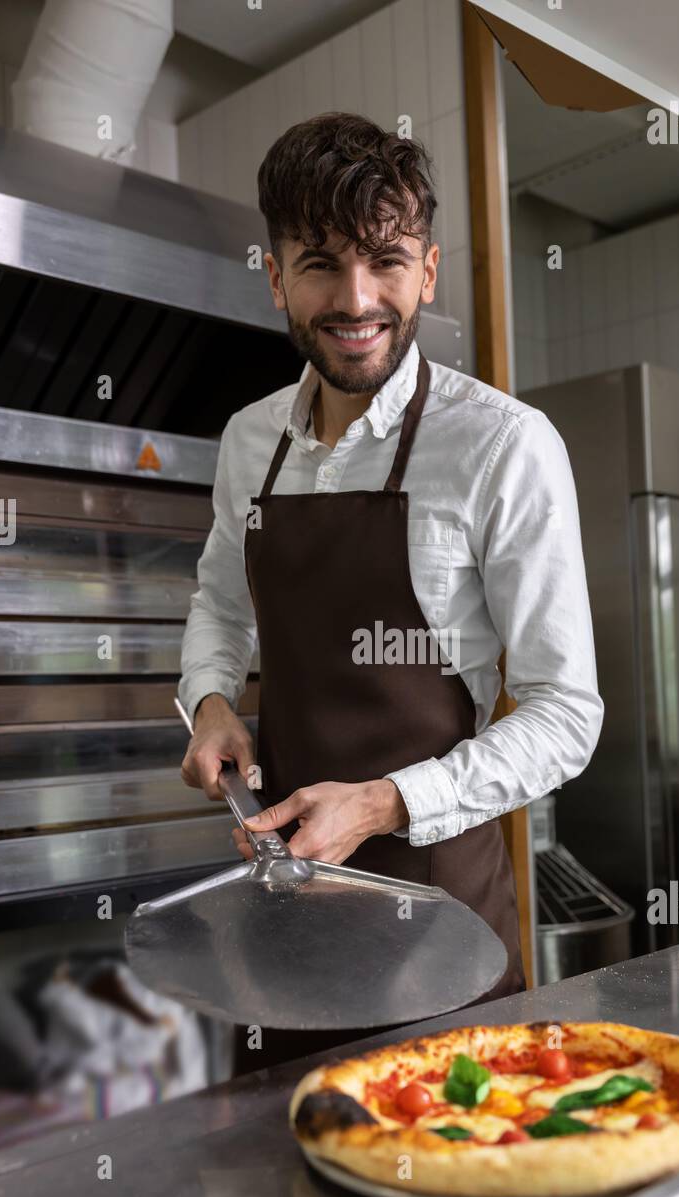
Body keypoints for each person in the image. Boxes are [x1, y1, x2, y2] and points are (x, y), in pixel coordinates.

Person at [178, 112, 603, 1072]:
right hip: (286, 924)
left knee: (456, 1182)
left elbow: (567, 714)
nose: (356, 298)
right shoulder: (250, 443)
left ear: (430, 270)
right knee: (278, 1178)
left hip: (444, 932)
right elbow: (219, 605)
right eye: (322, 262)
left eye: (387, 260)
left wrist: (378, 804)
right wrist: (209, 703)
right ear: (277, 273)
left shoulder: (502, 445)